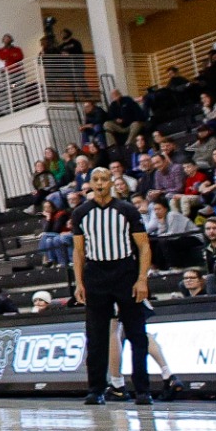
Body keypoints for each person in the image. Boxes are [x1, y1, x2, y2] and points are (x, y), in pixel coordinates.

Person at [71, 166, 152, 405]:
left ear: (111, 183)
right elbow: (78, 251)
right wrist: (79, 282)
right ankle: (96, 389)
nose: (99, 183)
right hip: (96, 274)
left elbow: (144, 246)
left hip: (125, 272)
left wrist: (142, 279)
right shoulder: (81, 213)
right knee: (95, 336)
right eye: (94, 179)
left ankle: (142, 390)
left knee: (137, 334)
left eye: (103, 179)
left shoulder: (126, 209)